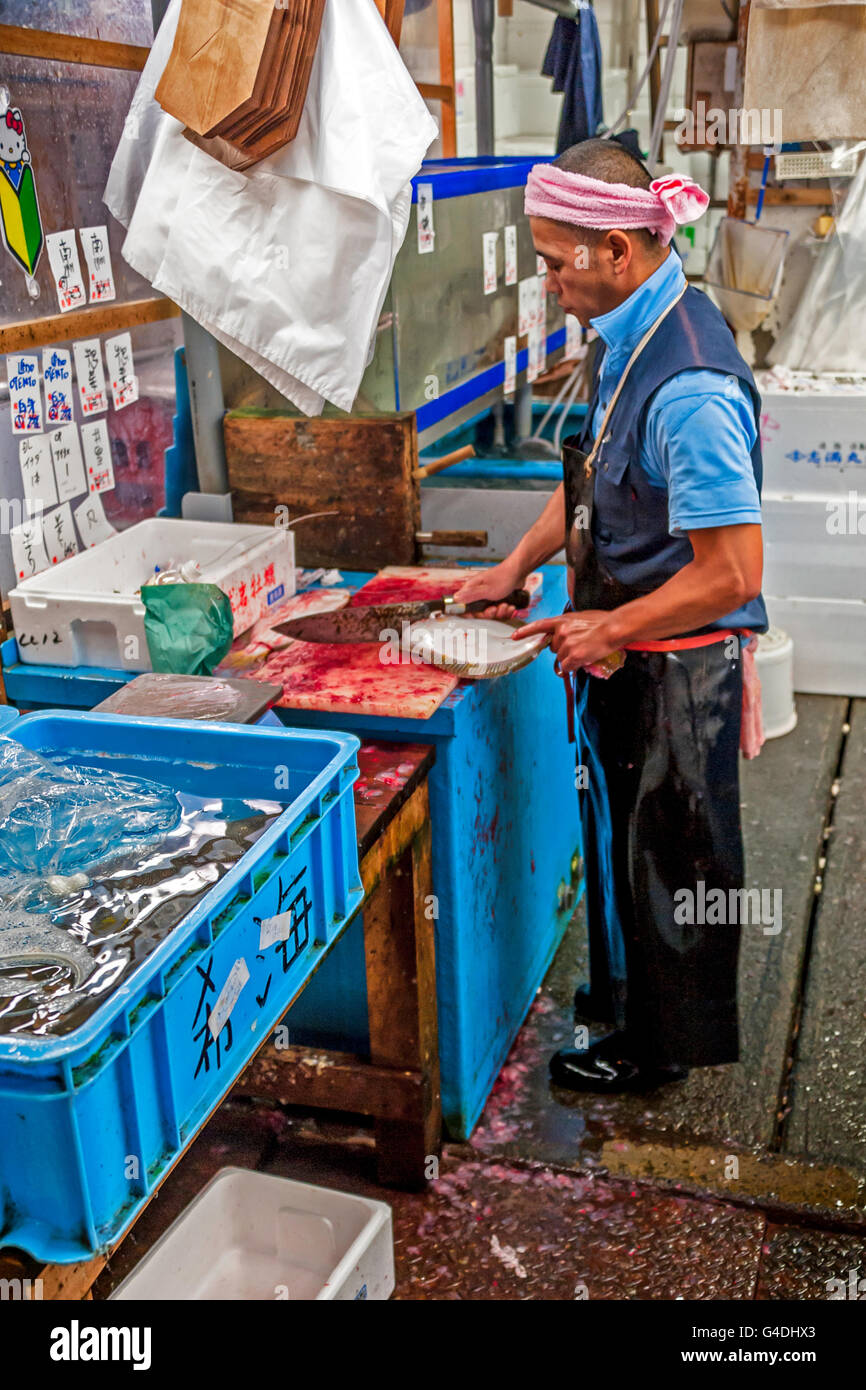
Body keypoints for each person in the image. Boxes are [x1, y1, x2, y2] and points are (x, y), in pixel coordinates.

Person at [455, 138, 768, 1093]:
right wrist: (514, 566)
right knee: (629, 851)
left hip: (677, 671)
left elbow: (733, 571)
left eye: (555, 262)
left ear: (617, 252)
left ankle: (658, 1052)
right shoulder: (628, 336)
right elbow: (593, 477)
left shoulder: (692, 388)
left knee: (677, 864)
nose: (548, 283)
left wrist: (611, 628)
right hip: (628, 655)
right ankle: (631, 1002)